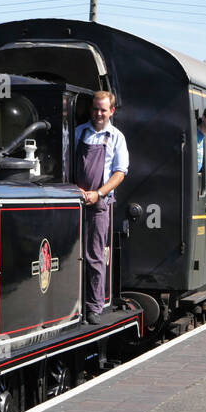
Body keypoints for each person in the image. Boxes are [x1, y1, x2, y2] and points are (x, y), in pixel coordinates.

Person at [72, 90, 129, 325]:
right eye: (95, 108)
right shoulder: (78, 133)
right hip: (74, 199)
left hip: (100, 203)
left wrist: (99, 193)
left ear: (111, 111)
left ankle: (94, 306)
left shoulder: (116, 137)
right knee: (72, 255)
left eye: (103, 109)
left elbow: (120, 172)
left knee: (94, 255)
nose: (98, 113)